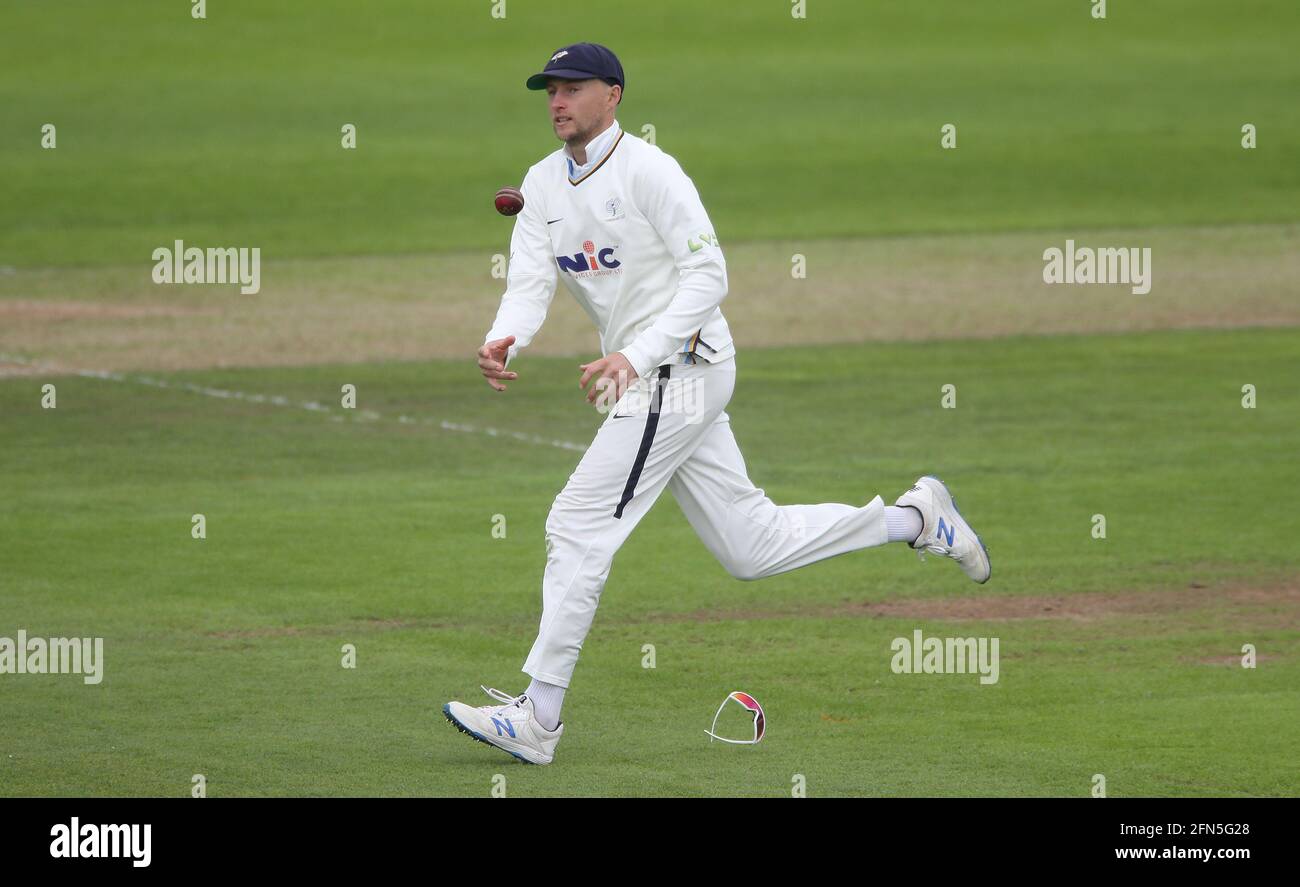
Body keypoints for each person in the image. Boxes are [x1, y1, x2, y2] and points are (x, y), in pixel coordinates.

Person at [444, 42, 990, 765]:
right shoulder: (543, 184)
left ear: (613, 95)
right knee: (749, 545)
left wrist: (635, 355)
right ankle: (917, 518)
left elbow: (710, 274)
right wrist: (504, 339)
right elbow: (529, 281)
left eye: (572, 87)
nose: (557, 100)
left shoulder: (651, 171)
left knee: (577, 522)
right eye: (550, 89)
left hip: (682, 369)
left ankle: (539, 716)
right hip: (652, 374)